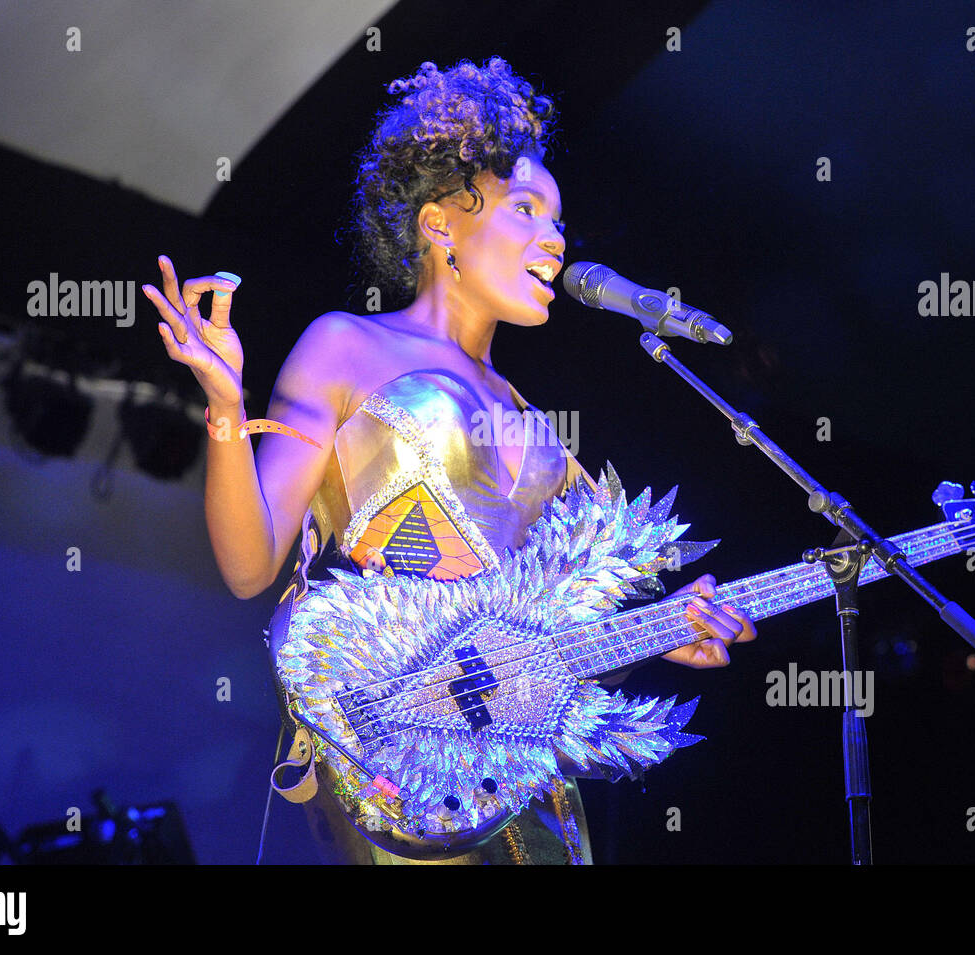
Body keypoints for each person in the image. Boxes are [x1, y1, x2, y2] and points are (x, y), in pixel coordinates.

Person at [143, 57, 755, 864]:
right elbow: (251, 565)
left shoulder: (536, 427)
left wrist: (673, 627)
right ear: (440, 224)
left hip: (527, 788)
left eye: (561, 221)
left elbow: (546, 627)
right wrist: (226, 408)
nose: (556, 239)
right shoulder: (346, 346)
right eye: (528, 209)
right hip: (400, 776)